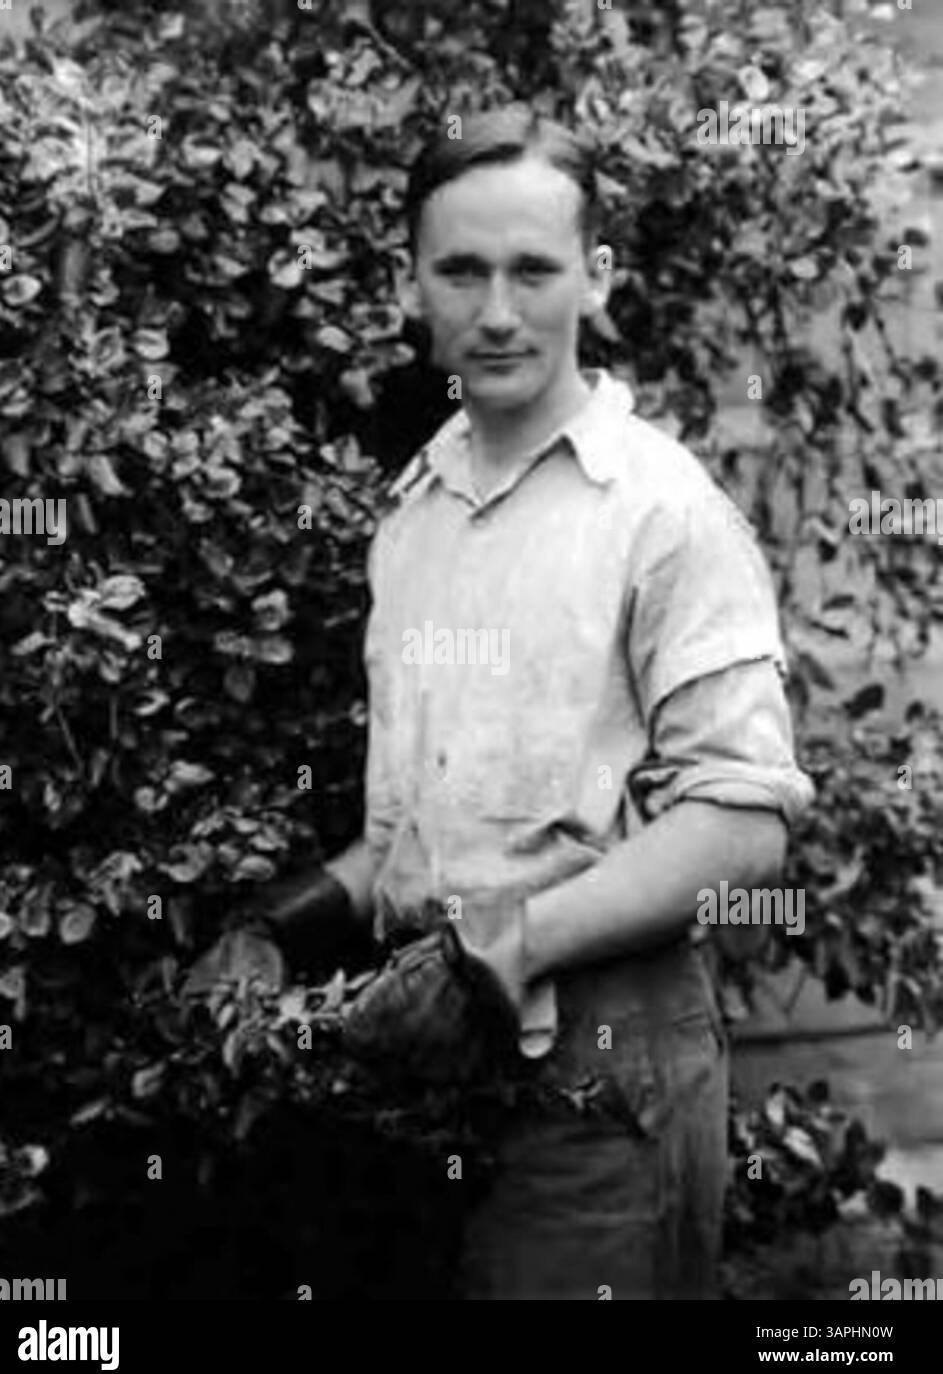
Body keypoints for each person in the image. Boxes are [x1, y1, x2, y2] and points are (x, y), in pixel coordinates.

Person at [231, 106, 814, 1300]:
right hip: (430, 1071)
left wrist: (505, 946)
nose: (497, 311)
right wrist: (288, 924)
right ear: (411, 289)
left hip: (602, 1080)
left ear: (594, 281)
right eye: (461, 270)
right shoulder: (418, 512)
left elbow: (744, 823)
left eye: (533, 270)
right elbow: (426, 825)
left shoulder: (660, 510)